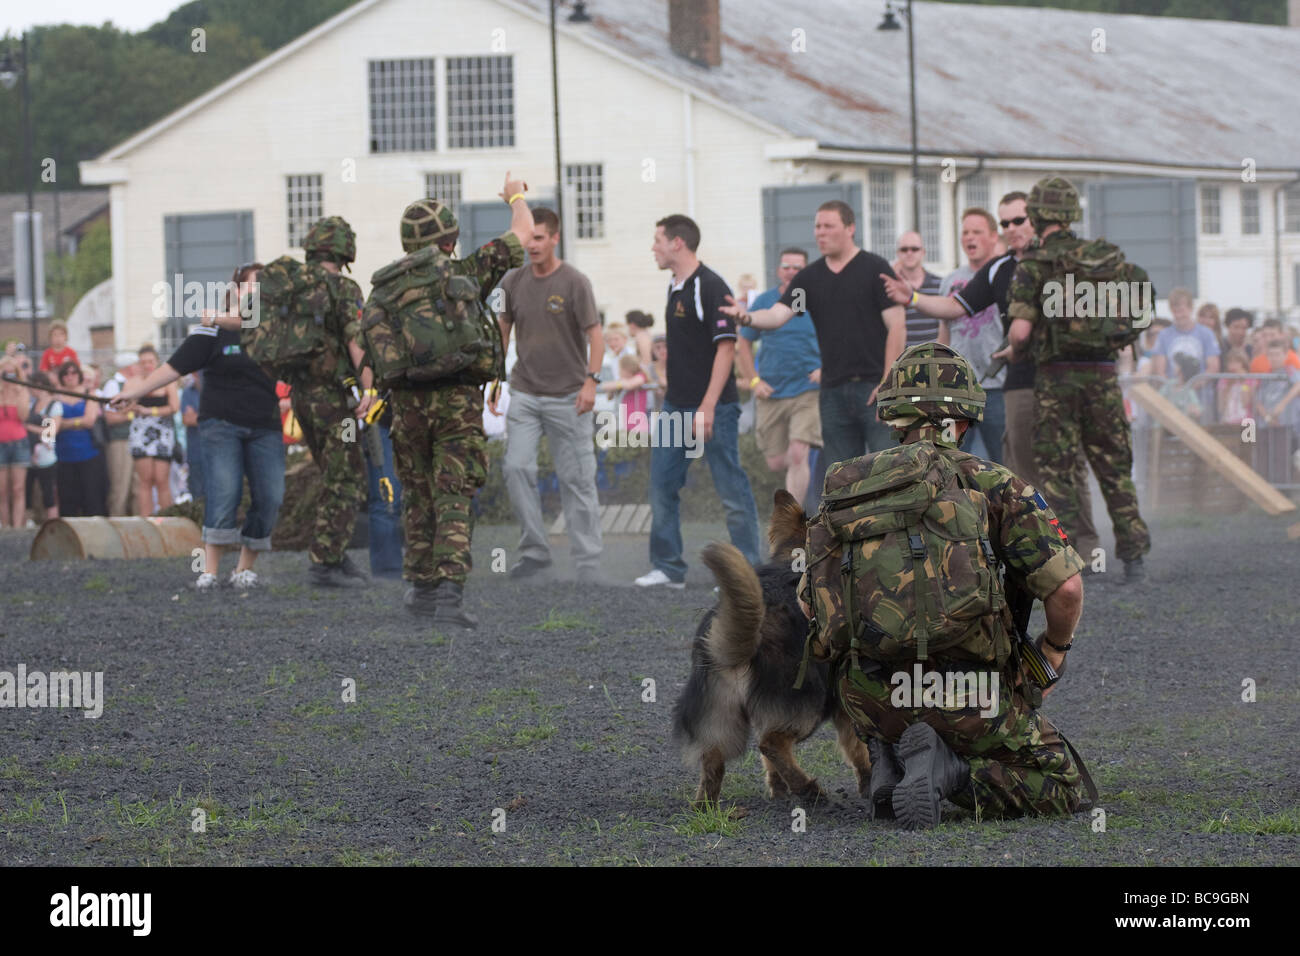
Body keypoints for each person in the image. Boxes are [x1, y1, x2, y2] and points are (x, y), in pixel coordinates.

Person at [806, 342, 1089, 828]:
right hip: (964, 695)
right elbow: (1066, 590)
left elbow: (816, 608)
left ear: (893, 419)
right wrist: (1054, 650)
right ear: (964, 420)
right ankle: (949, 771)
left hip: (872, 696)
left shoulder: (848, 492)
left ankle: (890, 755)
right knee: (1064, 786)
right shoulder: (999, 486)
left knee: (887, 699)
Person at [882, 192, 1101, 563]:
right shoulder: (999, 269)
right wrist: (913, 297)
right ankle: (1041, 550)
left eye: (1019, 220)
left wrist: (1029, 340)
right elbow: (955, 307)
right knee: (1020, 468)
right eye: (1006, 222)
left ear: (1037, 220)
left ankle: (1087, 550)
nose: (1013, 228)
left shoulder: (1063, 262)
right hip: (1016, 381)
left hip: (1062, 377)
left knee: (1068, 463)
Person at [363, 173, 533, 625]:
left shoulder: (384, 290)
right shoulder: (462, 272)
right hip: (457, 400)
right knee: (453, 493)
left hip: (405, 406)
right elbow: (524, 233)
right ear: (450, 239)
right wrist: (514, 195)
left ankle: (418, 593)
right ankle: (449, 599)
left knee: (416, 496)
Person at [1005, 176, 1151, 584]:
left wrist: (1016, 351)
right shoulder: (1106, 259)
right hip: (1103, 376)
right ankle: (1134, 556)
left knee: (1060, 471)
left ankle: (1073, 561)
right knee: (1113, 467)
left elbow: (1019, 332)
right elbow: (1137, 310)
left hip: (1055, 380)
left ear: (1035, 214)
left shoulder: (1033, 264)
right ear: (1072, 213)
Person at [111, 263, 284, 590]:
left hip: (266, 425)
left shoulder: (274, 331)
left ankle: (243, 569)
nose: (261, 290)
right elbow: (173, 367)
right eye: (254, 284)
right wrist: (133, 392)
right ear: (237, 291)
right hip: (220, 423)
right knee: (224, 490)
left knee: (271, 495)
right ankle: (209, 571)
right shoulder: (210, 332)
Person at [723, 200, 906, 471]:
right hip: (832, 392)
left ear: (850, 228)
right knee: (843, 479)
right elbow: (777, 315)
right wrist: (747, 317)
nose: (820, 233)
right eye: (817, 227)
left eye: (828, 226)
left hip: (874, 388)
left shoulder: (874, 270)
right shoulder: (809, 279)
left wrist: (888, 382)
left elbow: (897, 326)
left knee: (887, 472)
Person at [636, 213, 761, 588]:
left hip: (714, 408)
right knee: (662, 485)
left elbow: (727, 348)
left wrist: (706, 407)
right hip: (675, 405)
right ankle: (669, 568)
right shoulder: (674, 286)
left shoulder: (711, 286)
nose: (653, 247)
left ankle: (748, 573)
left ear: (678, 243)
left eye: (657, 240)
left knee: (731, 491)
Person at [491, 205, 605, 582]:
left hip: (570, 396)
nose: (532, 245)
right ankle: (535, 551)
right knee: (516, 467)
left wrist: (592, 381)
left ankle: (588, 559)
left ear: (555, 238)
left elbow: (595, 335)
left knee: (577, 480)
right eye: (529, 238)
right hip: (524, 392)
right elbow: (502, 327)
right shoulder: (512, 281)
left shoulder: (575, 282)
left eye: (539, 237)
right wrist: (494, 378)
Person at [281, 216, 375, 588]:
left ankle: (333, 553)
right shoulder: (343, 287)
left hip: (301, 398)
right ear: (344, 249)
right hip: (335, 401)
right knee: (348, 476)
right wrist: (369, 389)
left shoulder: (290, 289)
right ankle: (324, 563)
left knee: (332, 473)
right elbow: (357, 342)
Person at [735, 246, 822, 505]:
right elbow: (743, 344)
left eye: (798, 268)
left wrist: (824, 366)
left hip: (807, 389)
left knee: (798, 454)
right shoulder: (763, 302)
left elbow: (840, 335)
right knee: (775, 462)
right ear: (778, 270)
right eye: (787, 266)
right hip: (770, 390)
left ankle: (792, 521)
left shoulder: (818, 301)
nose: (791, 272)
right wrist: (754, 380)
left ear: (806, 271)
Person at [938, 208, 1007, 462]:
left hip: (996, 387)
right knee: (950, 462)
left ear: (993, 237)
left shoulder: (1005, 276)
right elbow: (943, 331)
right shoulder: (950, 281)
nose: (970, 238)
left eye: (977, 232)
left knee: (1004, 465)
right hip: (956, 390)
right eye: (965, 232)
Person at [126, 345, 179, 516]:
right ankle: (146, 521)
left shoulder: (167, 380)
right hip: (140, 433)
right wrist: (132, 407)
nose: (147, 365)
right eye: (143, 362)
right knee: (145, 480)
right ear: (139, 364)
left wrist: (151, 411)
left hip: (162, 432)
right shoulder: (132, 382)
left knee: (162, 479)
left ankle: (166, 521)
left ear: (156, 362)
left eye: (150, 361)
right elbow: (123, 408)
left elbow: (174, 407)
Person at [53, 362, 108, 517]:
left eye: (73, 373)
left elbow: (89, 421)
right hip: (62, 455)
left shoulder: (89, 393)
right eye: (65, 373)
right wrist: (78, 422)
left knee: (92, 496)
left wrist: (63, 423)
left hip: (88, 452)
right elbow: (49, 428)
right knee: (67, 499)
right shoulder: (54, 395)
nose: (70, 377)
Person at [99, 352, 140, 515]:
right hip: (120, 441)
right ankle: (117, 524)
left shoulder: (135, 383)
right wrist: (131, 413)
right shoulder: (113, 385)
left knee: (136, 488)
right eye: (137, 365)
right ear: (130, 368)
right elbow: (110, 418)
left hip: (135, 439)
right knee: (120, 487)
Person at [1150, 288, 1220, 380]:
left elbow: (1213, 368)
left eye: (1182, 311)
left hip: (1200, 393)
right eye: (1175, 311)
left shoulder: (1207, 334)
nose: (1178, 315)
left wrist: (1189, 388)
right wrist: (1174, 390)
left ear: (1191, 308)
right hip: (1172, 392)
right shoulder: (1163, 335)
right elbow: (1159, 371)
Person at [893, 231, 943, 347]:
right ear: (898, 253)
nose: (909, 253)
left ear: (923, 252)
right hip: (902, 360)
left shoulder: (940, 285)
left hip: (934, 359)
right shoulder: (890, 287)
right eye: (904, 249)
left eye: (914, 249)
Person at [22, 370, 59, 523]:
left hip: (47, 457)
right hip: (29, 456)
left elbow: (50, 432)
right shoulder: (31, 404)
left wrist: (29, 428)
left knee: (48, 493)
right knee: (27, 493)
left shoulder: (53, 405)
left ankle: (52, 524)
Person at [0, 354, 30, 527]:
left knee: (18, 488)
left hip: (19, 442)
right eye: (6, 372)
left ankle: (18, 526)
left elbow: (23, 416)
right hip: (1, 444)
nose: (9, 376)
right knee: (2, 490)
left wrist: (18, 391)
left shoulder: (22, 390)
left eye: (13, 373)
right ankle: (5, 525)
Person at [181, 372, 204, 500]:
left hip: (216, 453)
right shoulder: (188, 392)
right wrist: (211, 417)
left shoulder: (218, 392)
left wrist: (197, 416)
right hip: (195, 453)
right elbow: (187, 419)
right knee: (197, 494)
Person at [1217, 349, 1255, 425]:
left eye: (1237, 362)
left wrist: (1244, 382)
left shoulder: (1250, 379)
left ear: (1243, 364)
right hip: (1227, 422)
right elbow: (1220, 406)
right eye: (1230, 362)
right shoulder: (1224, 380)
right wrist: (1228, 387)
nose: (1233, 365)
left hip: (1246, 422)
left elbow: (1245, 402)